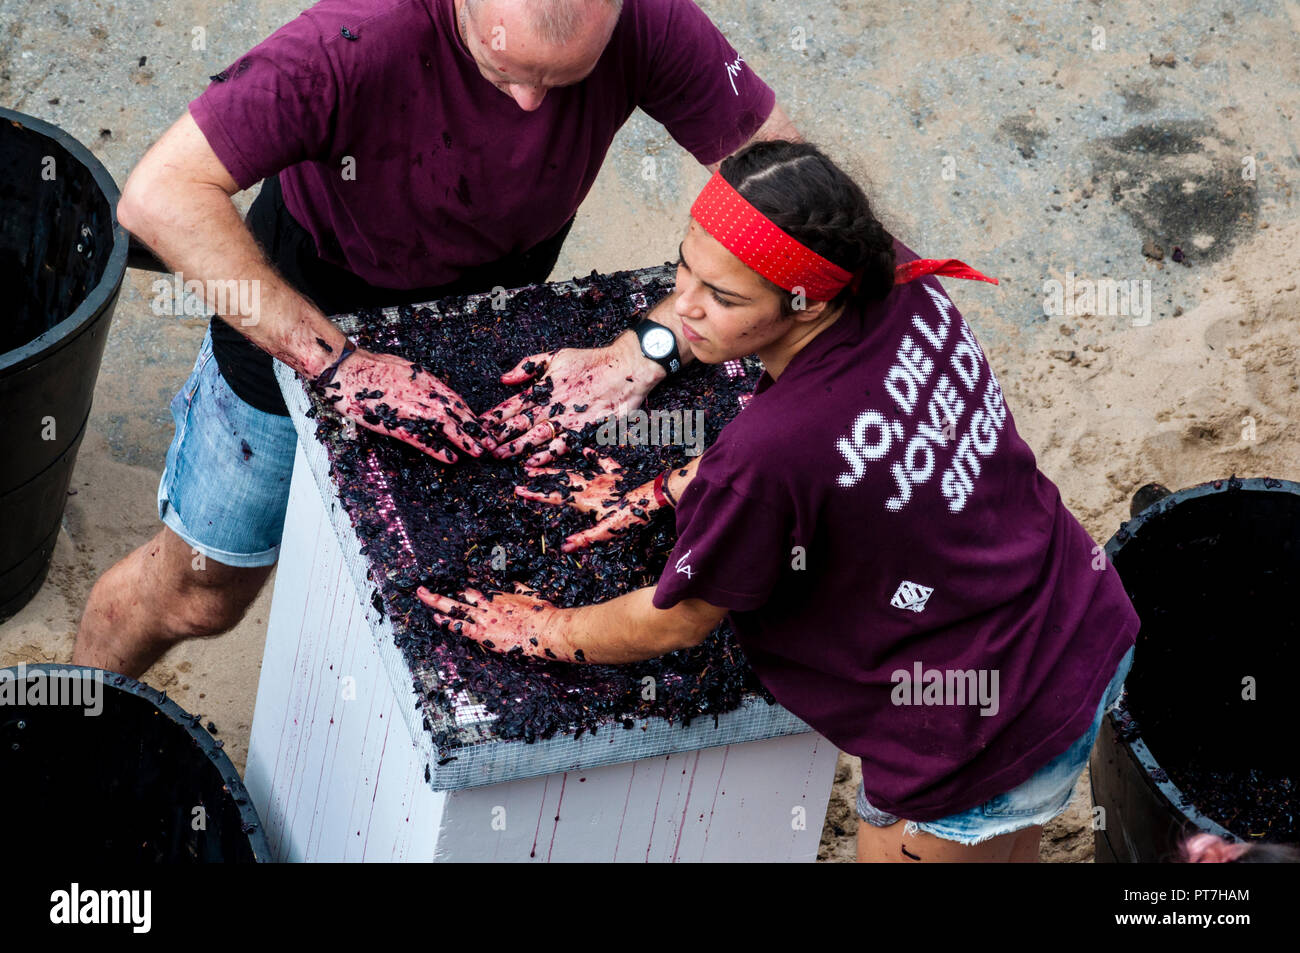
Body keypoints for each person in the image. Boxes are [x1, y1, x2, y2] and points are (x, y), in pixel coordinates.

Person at [417, 139, 1142, 863]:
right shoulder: (893, 275)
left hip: (970, 727)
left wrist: (542, 627)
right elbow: (863, 446)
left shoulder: (766, 457)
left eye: (725, 298)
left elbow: (674, 622)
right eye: (686, 268)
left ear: (809, 297)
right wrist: (670, 488)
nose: (686, 310)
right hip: (1081, 620)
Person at [74, 0, 799, 677]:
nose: (528, 108)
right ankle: (68, 717)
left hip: (488, 316)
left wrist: (654, 341)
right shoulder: (355, 38)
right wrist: (333, 363)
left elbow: (793, 194)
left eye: (562, 81)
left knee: (452, 576)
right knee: (197, 596)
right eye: (504, 70)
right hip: (309, 299)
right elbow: (157, 196)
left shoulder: (646, 19)